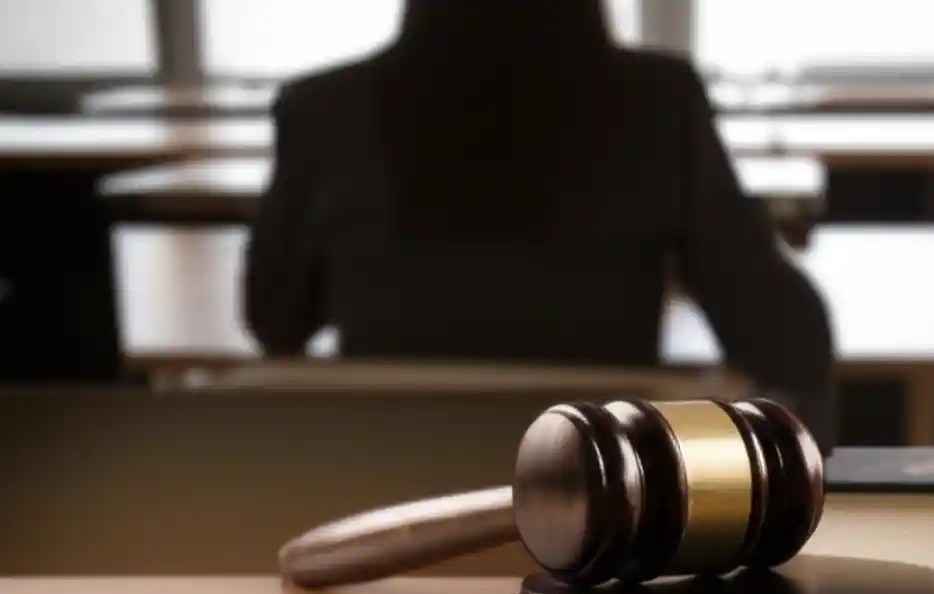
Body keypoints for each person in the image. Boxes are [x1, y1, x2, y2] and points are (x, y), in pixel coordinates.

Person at [244, 0, 836, 446]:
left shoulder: (320, 112)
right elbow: (790, 339)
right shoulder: (659, 103)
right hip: (603, 516)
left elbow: (274, 317)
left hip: (373, 509)